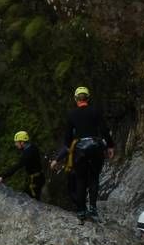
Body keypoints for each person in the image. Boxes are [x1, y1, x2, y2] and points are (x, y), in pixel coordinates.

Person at [49, 86, 116, 221]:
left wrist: (67, 150)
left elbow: (68, 138)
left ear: (76, 99)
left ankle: (81, 211)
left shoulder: (72, 114)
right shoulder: (95, 111)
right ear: (88, 98)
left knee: (80, 179)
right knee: (94, 178)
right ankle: (93, 208)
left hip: (80, 151)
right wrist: (110, 146)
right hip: (96, 147)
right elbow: (104, 130)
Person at [0, 131, 45, 199]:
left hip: (35, 181)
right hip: (38, 178)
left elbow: (17, 166)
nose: (15, 144)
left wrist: (1, 177)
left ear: (22, 142)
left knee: (32, 198)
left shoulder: (28, 154)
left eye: (16, 142)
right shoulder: (32, 147)